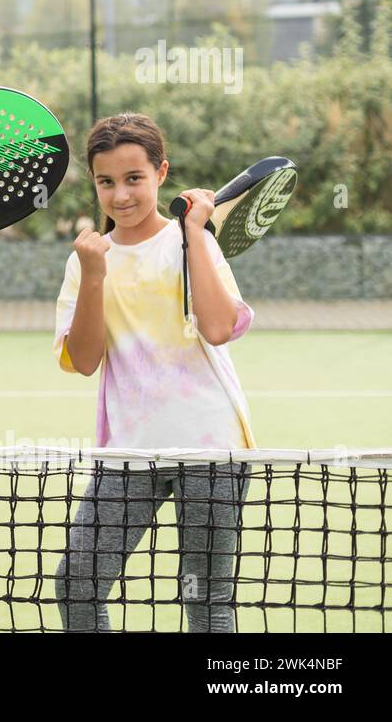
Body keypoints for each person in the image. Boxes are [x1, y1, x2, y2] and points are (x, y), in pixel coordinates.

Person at [53, 112, 254, 632]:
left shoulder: (194, 243)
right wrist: (96, 275)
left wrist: (193, 231)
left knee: (206, 602)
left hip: (211, 449)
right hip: (129, 451)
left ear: (161, 173)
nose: (121, 195)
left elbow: (216, 327)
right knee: (77, 583)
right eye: (106, 182)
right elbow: (85, 359)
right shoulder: (85, 261)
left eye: (134, 178)